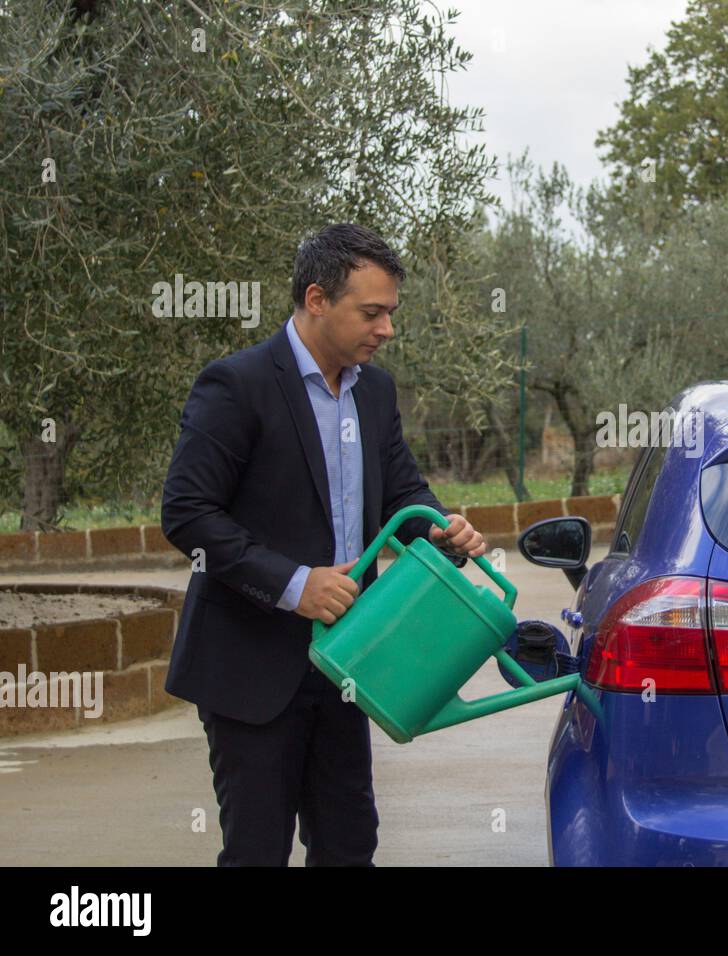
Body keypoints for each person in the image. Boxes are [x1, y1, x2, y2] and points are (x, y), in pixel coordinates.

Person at [161, 223, 486, 866]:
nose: (386, 329)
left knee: (348, 845)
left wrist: (441, 528)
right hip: (251, 669)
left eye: (390, 313)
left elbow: (402, 494)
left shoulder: (377, 392)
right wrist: (294, 584)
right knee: (256, 852)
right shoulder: (237, 385)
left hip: (349, 663)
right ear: (316, 300)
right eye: (372, 312)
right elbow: (187, 513)